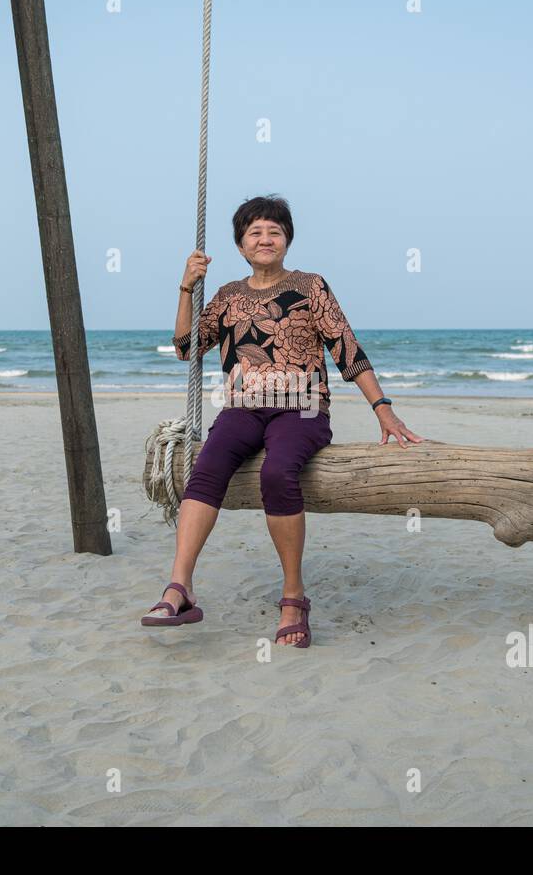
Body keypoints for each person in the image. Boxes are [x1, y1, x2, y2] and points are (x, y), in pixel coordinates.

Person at [141, 194, 422, 646]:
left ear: (287, 240)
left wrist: (382, 407)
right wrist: (186, 289)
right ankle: (180, 587)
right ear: (240, 246)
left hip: (303, 408)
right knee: (206, 469)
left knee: (277, 472)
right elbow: (187, 348)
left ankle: (293, 596)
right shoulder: (228, 295)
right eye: (255, 232)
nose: (265, 238)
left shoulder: (310, 286)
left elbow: (346, 349)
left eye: (274, 231)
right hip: (242, 409)